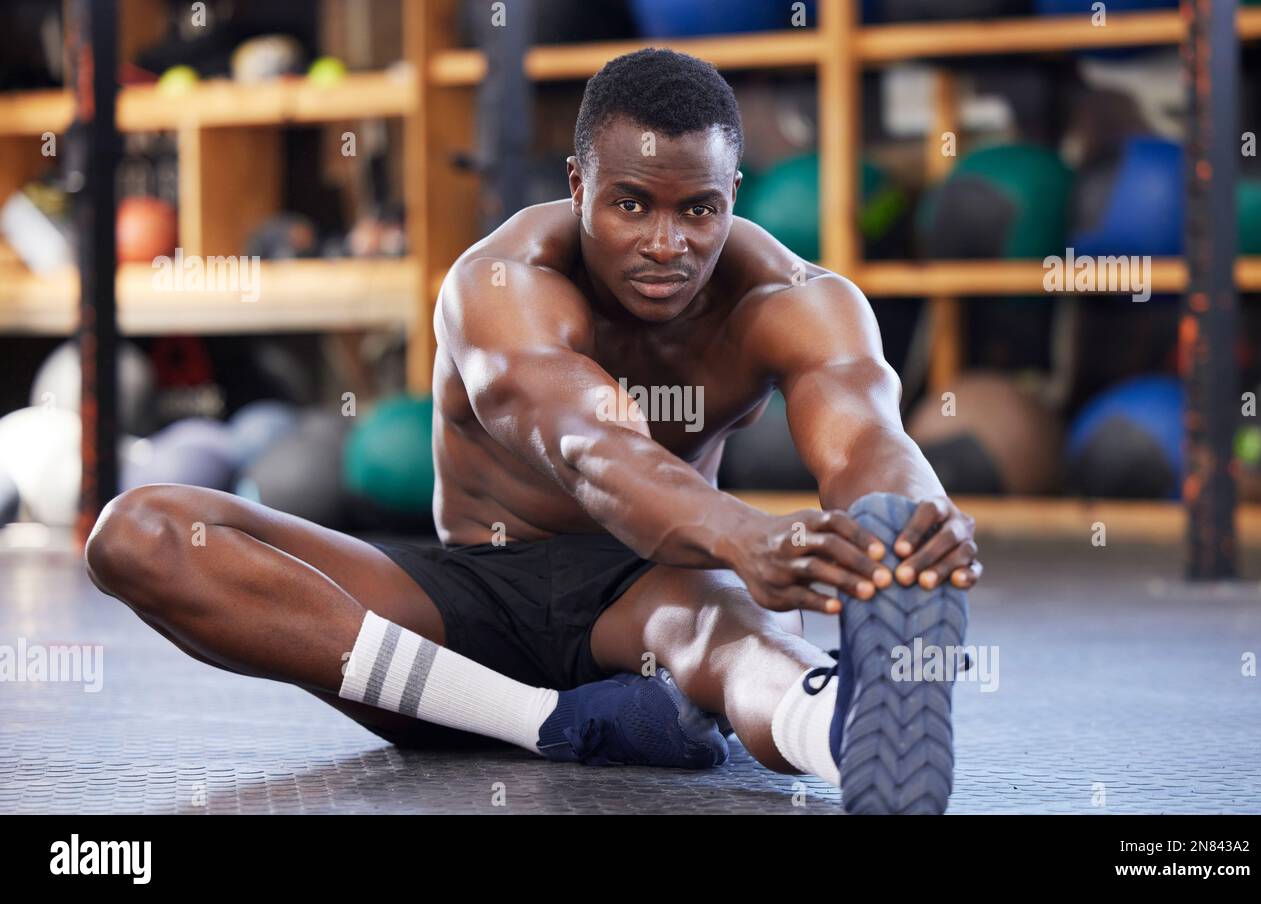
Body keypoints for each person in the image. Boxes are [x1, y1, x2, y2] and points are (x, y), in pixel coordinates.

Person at [85, 48, 980, 813]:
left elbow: (865, 438)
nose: (667, 243)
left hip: (644, 587)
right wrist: (750, 535)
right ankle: (541, 723)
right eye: (632, 204)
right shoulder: (500, 283)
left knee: (724, 636)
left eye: (698, 210)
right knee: (141, 533)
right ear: (578, 183)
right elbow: (591, 446)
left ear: (733, 196)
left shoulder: (794, 301)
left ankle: (843, 729)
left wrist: (907, 531)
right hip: (465, 597)